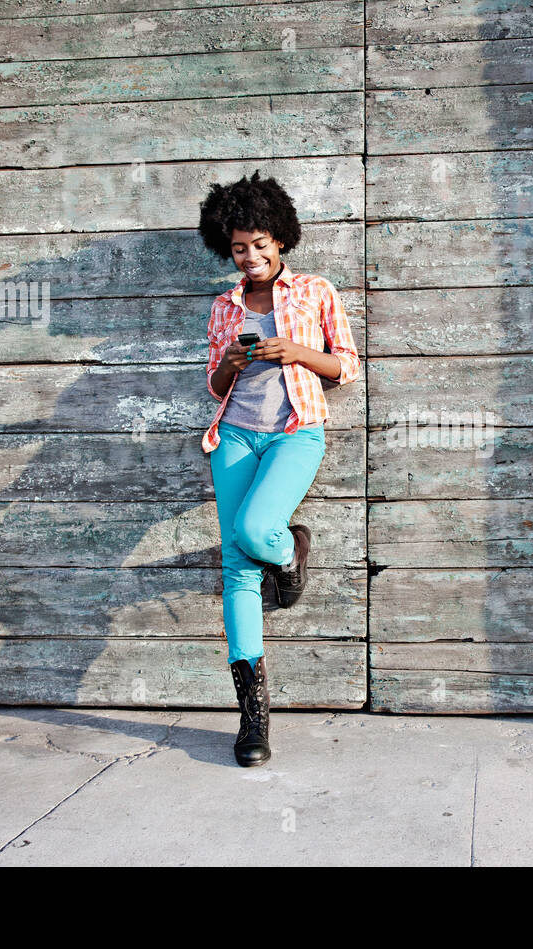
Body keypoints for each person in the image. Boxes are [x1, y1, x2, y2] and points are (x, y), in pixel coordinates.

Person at [198, 170, 361, 767]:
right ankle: (253, 721)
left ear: (281, 240)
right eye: (239, 247)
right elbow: (214, 383)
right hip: (235, 435)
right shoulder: (224, 306)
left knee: (252, 530)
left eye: (260, 244)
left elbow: (347, 366)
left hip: (295, 433)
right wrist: (234, 361)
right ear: (227, 247)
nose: (251, 256)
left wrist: (293, 351)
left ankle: (289, 547)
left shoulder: (315, 291)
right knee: (238, 566)